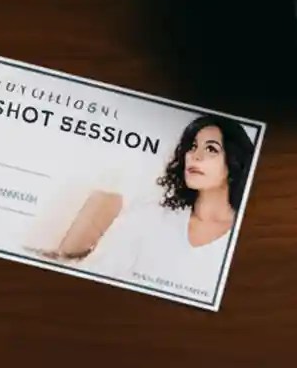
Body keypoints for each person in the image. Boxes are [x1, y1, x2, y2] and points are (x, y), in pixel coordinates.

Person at [82, 115, 255, 298]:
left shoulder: (243, 240)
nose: (195, 156)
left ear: (234, 162)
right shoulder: (148, 216)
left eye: (211, 149)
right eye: (193, 146)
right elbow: (96, 275)